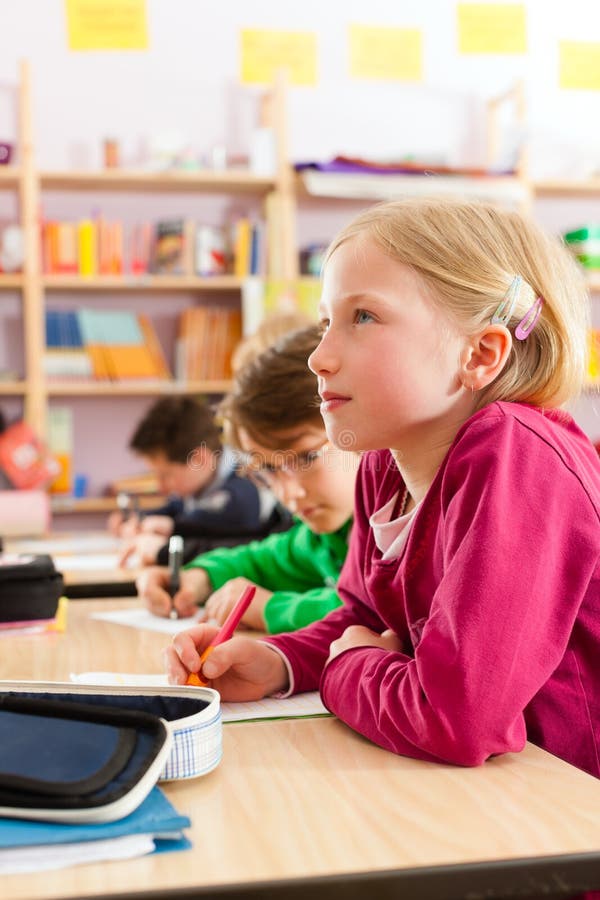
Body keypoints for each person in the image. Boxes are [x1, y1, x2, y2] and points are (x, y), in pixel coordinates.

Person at [166, 199, 600, 781]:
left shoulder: (519, 456)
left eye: (364, 317)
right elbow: (364, 618)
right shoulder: (383, 464)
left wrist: (347, 671)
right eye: (327, 322)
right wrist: (280, 661)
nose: (318, 358)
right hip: (491, 795)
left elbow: (454, 718)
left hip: (567, 806)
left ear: (479, 355)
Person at [137, 325, 359, 632]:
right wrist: (199, 578)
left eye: (307, 458)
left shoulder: (395, 527)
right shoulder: (328, 535)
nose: (288, 494)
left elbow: (376, 610)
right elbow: (264, 560)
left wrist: (270, 609)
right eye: (268, 469)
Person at [111, 396, 287, 565]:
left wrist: (169, 535)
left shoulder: (247, 482)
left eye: (166, 475)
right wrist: (139, 520)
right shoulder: (199, 484)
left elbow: (219, 522)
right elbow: (175, 509)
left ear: (199, 460)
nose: (160, 486)